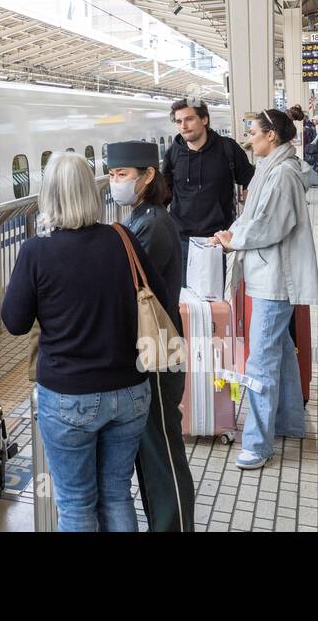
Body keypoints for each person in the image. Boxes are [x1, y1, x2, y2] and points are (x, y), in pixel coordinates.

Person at [2, 151, 164, 531]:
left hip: (68, 397)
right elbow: (158, 296)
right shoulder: (122, 239)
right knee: (117, 493)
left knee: (76, 503)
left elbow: (14, 323)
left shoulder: (36, 251)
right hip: (130, 392)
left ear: (48, 197)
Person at [210, 109, 318, 469]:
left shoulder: (284, 173)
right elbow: (255, 216)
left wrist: (233, 240)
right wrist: (233, 233)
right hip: (268, 274)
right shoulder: (270, 168)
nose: (250, 139)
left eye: (254, 133)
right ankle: (289, 424)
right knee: (282, 351)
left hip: (275, 278)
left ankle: (258, 444)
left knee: (261, 360)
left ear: (271, 135)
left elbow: (271, 224)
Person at [106, 140, 194, 533]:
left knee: (161, 449)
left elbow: (132, 291)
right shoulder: (143, 218)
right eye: (111, 175)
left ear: (148, 175)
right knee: (151, 445)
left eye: (122, 175)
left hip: (158, 351)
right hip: (152, 348)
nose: (115, 183)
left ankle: (175, 526)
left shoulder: (153, 225)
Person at [162, 99, 254, 273]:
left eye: (189, 119)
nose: (183, 126)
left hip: (214, 238)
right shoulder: (173, 153)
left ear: (204, 119)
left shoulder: (227, 148)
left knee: (212, 298)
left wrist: (247, 223)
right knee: (182, 298)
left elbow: (249, 182)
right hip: (180, 238)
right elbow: (164, 195)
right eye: (179, 121)